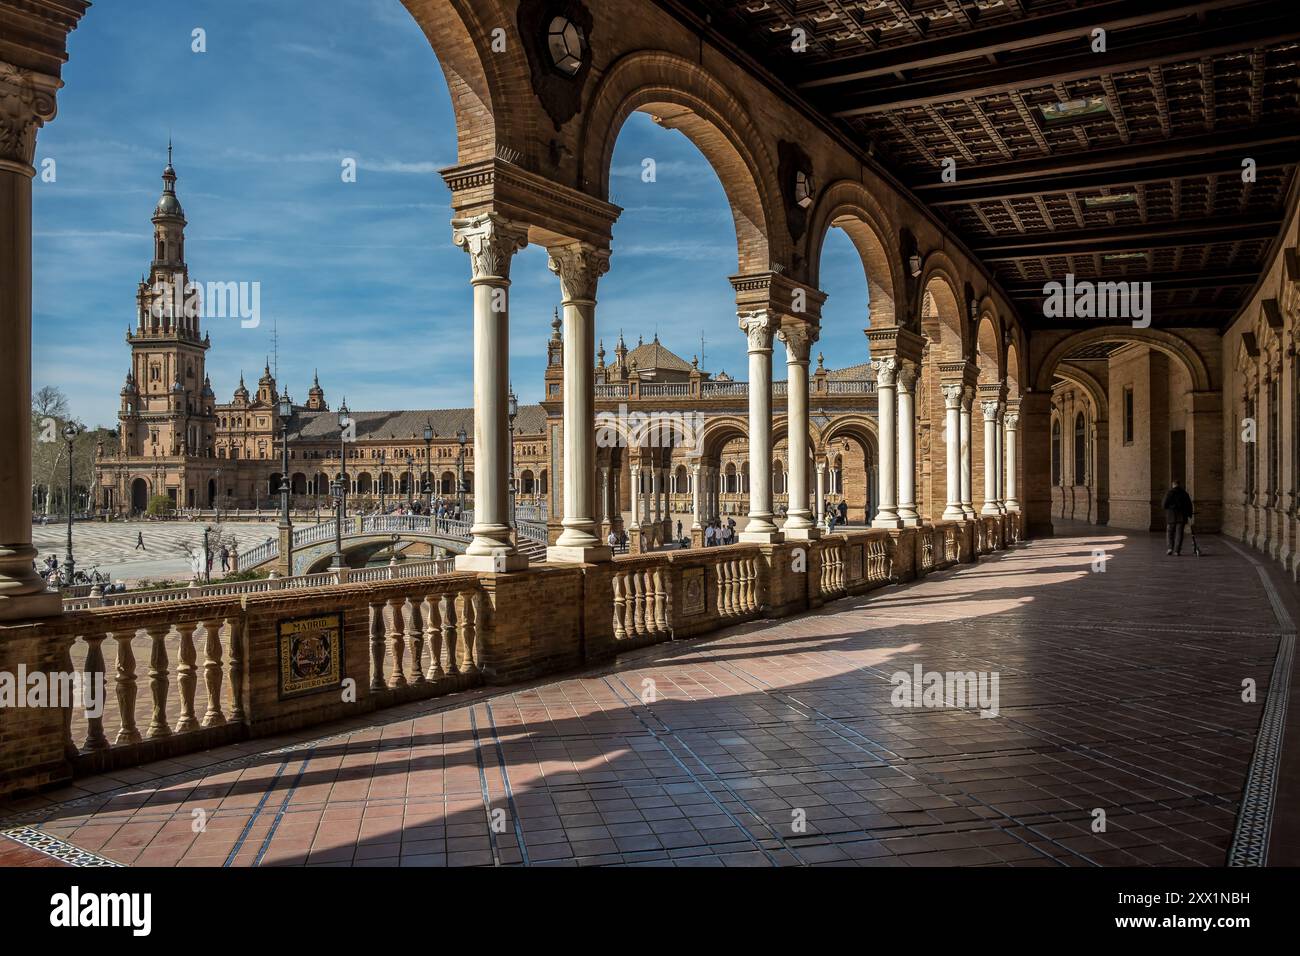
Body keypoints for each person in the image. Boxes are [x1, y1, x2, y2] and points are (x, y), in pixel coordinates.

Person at [1162, 480, 1194, 555]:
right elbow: (1189, 505)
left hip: (1171, 517)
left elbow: (1164, 505)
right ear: (1179, 485)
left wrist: (1170, 507)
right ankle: (1177, 551)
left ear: (1173, 485)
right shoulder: (1184, 493)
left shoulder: (1169, 493)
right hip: (1182, 517)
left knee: (1170, 533)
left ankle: (1170, 548)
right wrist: (1189, 515)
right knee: (1179, 534)